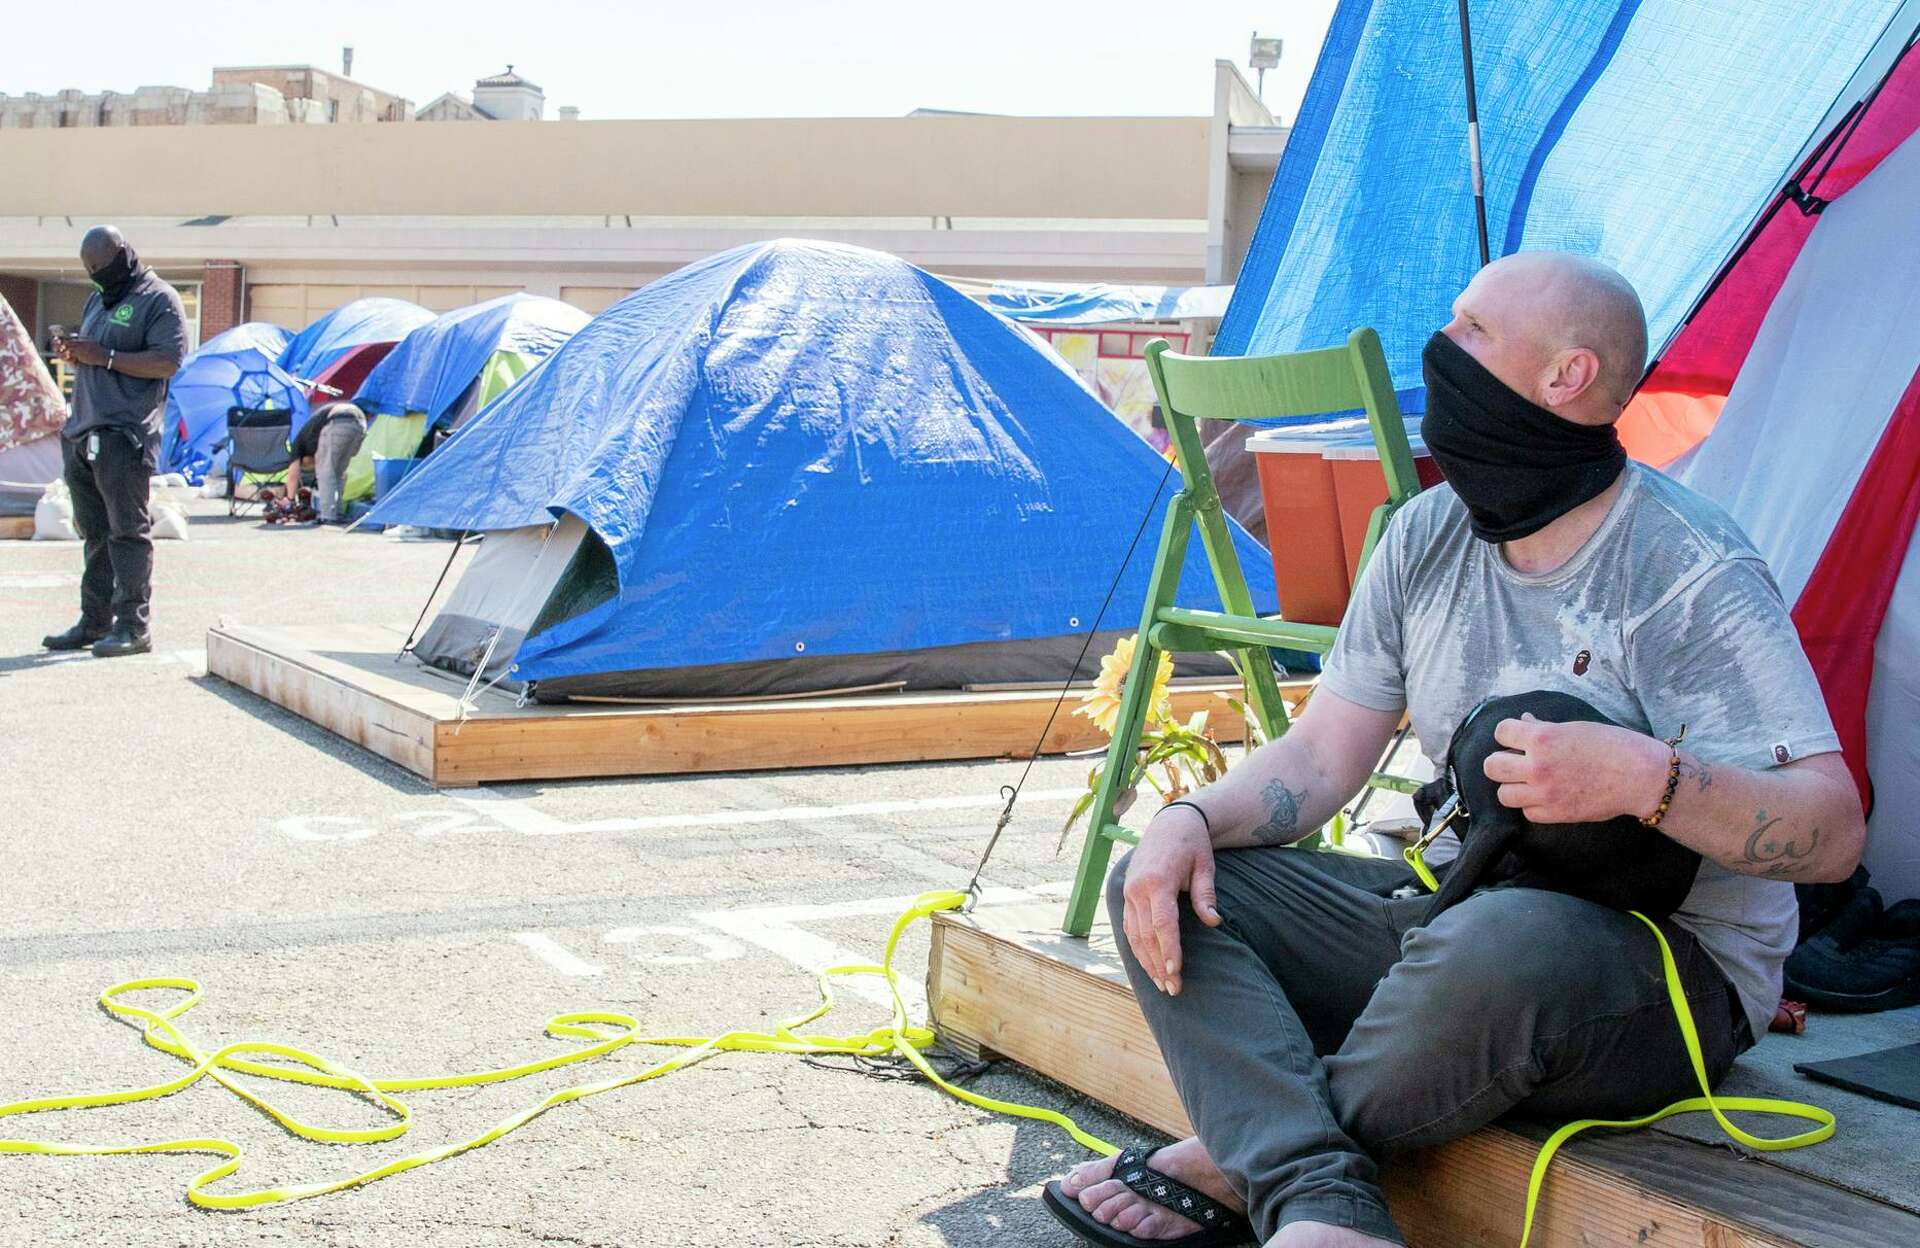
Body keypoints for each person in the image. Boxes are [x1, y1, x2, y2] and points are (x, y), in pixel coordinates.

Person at [1044, 252, 1866, 1248]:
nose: (1441, 350)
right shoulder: (1426, 534)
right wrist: (1187, 820)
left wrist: (1648, 779)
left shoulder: (1690, 568)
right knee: (1171, 879)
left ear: (1566, 377)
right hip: (1452, 917)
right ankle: (1324, 1203)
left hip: (1665, 975)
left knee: (1503, 942)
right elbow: (1317, 763)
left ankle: (1246, 1157)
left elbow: (1831, 836)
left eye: (1473, 330)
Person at [42, 226, 187, 659]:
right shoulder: (98, 299)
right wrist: (76, 351)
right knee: (95, 533)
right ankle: (95, 621)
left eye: (105, 270)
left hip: (124, 435)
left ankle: (133, 627)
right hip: (83, 430)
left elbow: (168, 360)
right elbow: (95, 353)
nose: (100, 280)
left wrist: (103, 356)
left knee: (127, 532)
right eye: (93, 274)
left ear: (124, 255)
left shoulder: (159, 299)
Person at [277, 399, 368, 525]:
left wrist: (290, 499)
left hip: (339, 420)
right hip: (360, 422)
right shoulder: (312, 439)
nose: (312, 468)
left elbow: (292, 475)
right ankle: (339, 512)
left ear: (302, 460)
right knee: (339, 472)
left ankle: (327, 516)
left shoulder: (298, 445)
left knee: (325, 473)